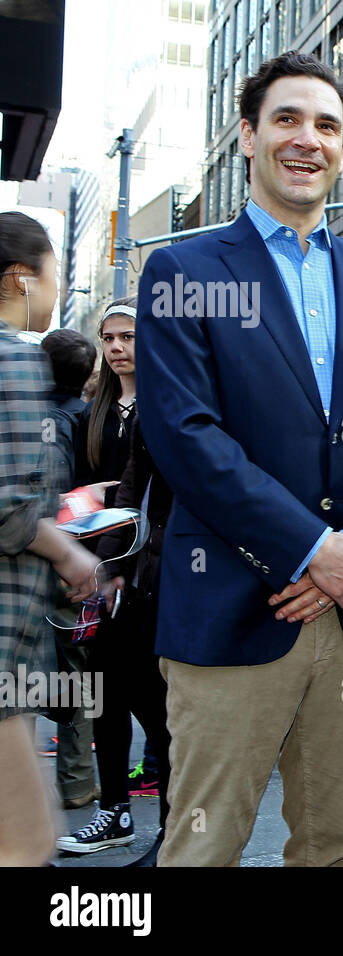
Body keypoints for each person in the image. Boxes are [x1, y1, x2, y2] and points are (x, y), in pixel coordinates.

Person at [135, 51, 343, 867]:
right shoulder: (183, 272)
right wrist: (312, 550)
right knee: (203, 845)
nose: (308, 140)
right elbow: (186, 438)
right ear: (248, 134)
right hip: (234, 609)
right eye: (288, 120)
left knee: (334, 846)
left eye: (328, 127)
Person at [54, 297, 170, 859]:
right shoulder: (90, 411)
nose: (118, 347)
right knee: (103, 695)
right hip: (93, 571)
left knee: (155, 698)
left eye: (128, 336)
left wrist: (118, 565)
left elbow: (152, 489)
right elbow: (83, 484)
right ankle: (114, 811)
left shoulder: (167, 400)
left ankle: (177, 818)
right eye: (109, 338)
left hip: (149, 574)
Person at [0, 211, 99, 866]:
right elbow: (10, 508)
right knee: (26, 841)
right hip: (4, 633)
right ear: (19, 278)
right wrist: (69, 552)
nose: (57, 287)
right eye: (52, 272)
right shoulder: (14, 362)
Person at [40, 327, 100, 811]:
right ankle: (83, 783)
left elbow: (51, 498)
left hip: (61, 557)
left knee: (68, 671)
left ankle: (79, 782)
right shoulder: (96, 416)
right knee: (82, 670)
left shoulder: (50, 421)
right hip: (100, 554)